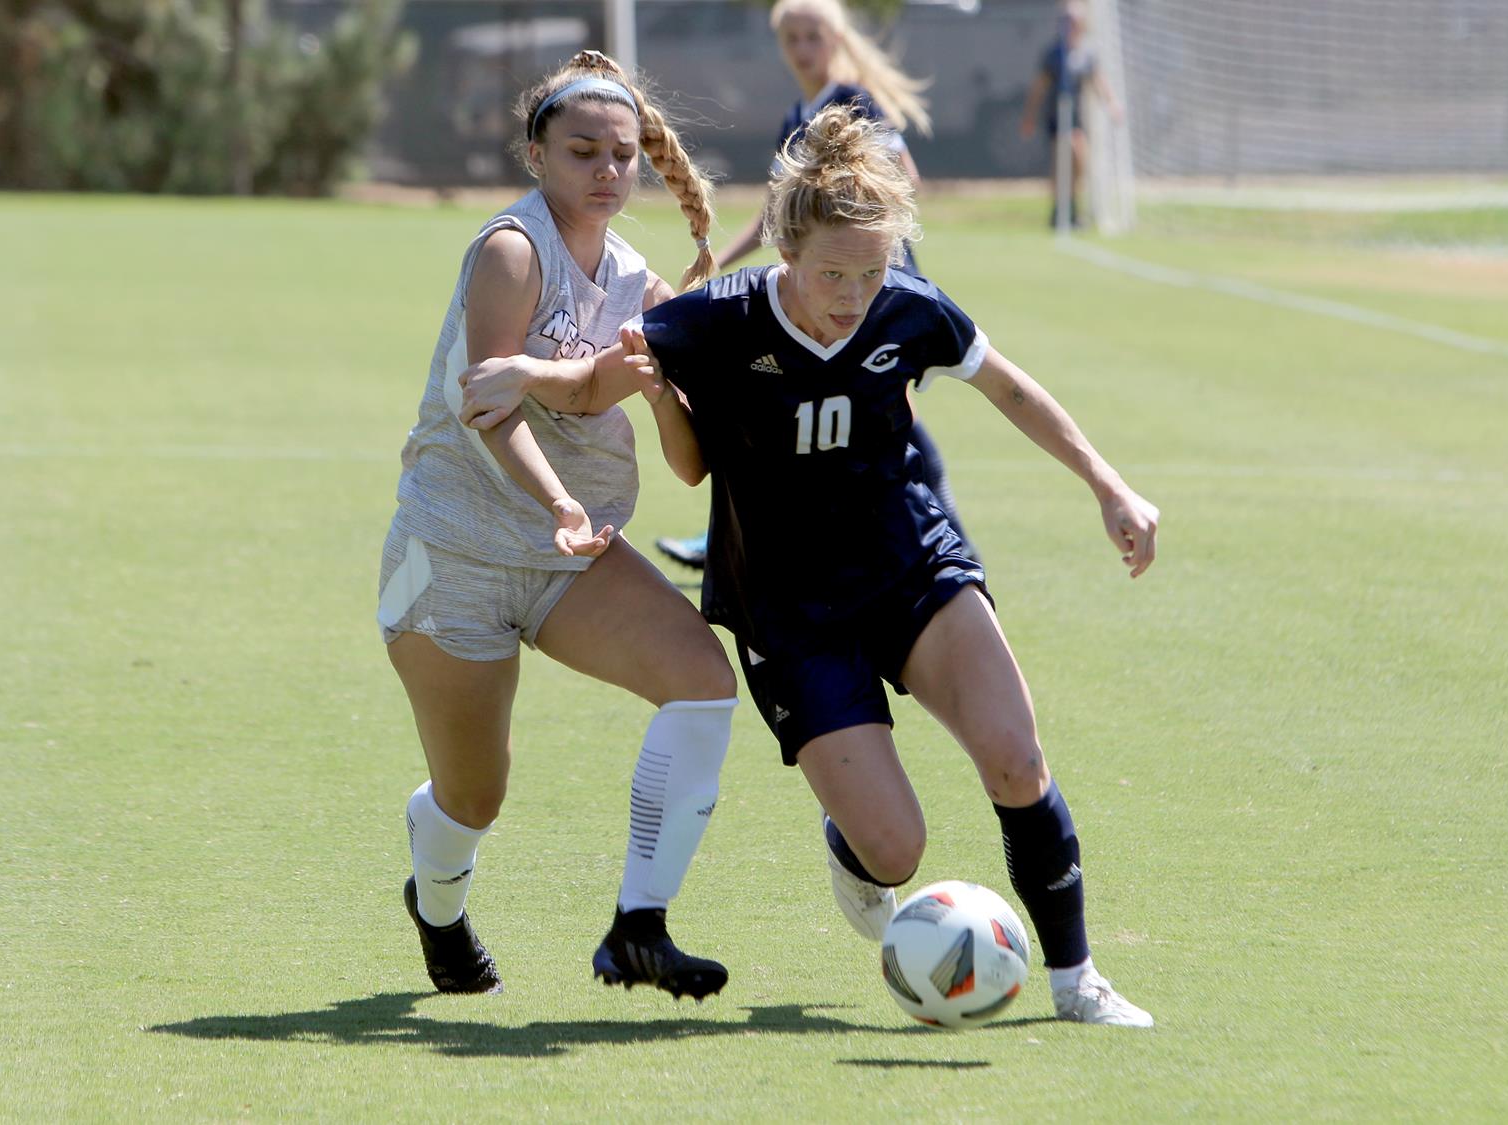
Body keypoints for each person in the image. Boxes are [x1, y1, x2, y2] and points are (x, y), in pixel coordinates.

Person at [464, 106, 1160, 1026]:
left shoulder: (909, 307)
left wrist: (1110, 486)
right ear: (786, 249)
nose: (853, 293)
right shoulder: (715, 320)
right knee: (895, 850)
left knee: (1015, 760)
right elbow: (606, 381)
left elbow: (1011, 389)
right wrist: (525, 372)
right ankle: (856, 846)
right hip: (789, 611)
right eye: (833, 272)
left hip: (910, 565)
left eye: (870, 273)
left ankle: (1077, 979)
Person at [378, 50, 739, 1001]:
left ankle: (641, 927)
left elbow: (675, 430)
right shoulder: (511, 249)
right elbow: (492, 406)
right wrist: (562, 503)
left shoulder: (638, 285)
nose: (607, 171)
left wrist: (680, 382)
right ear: (536, 155)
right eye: (583, 151)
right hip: (450, 554)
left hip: (570, 560)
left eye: (622, 155)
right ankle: (440, 908)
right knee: (473, 795)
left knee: (703, 681)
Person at [652, 0, 975, 573]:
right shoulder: (795, 115)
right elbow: (782, 218)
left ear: (835, 40)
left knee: (888, 414)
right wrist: (719, 258)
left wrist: (859, 240)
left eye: (813, 37)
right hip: (826, 285)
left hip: (873, 287)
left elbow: (905, 178)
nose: (803, 49)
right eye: (793, 38)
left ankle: (944, 537)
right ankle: (747, 536)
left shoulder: (854, 102)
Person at [1019, 0, 1123, 230]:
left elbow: (1098, 81)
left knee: (1079, 161)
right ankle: (1059, 211)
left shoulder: (1086, 54)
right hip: (1056, 116)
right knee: (1062, 160)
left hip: (1077, 115)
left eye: (1074, 22)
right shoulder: (1054, 54)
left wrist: (1112, 104)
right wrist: (1029, 117)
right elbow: (1039, 88)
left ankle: (1073, 209)